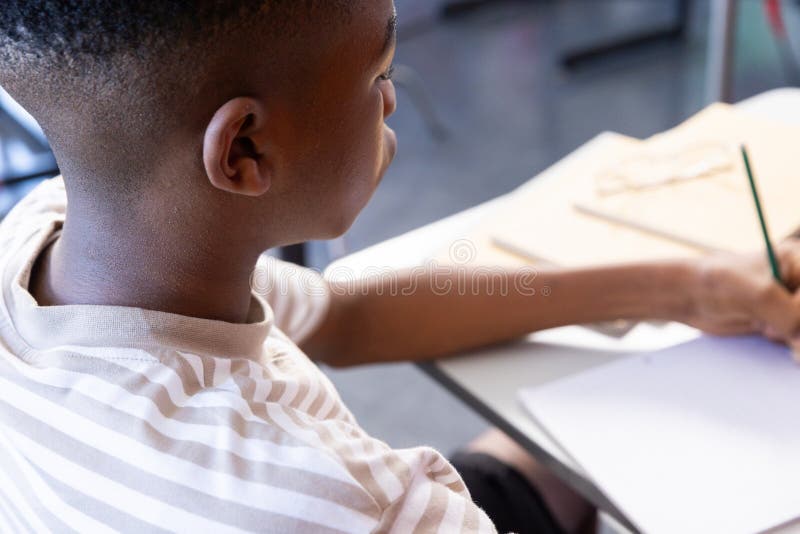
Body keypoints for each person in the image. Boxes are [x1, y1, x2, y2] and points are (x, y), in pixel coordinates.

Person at [1, 2, 800, 532]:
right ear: (244, 149)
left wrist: (685, 285)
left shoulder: (47, 235)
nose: (390, 101)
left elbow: (351, 317)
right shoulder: (344, 502)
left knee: (545, 459)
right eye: (377, 73)